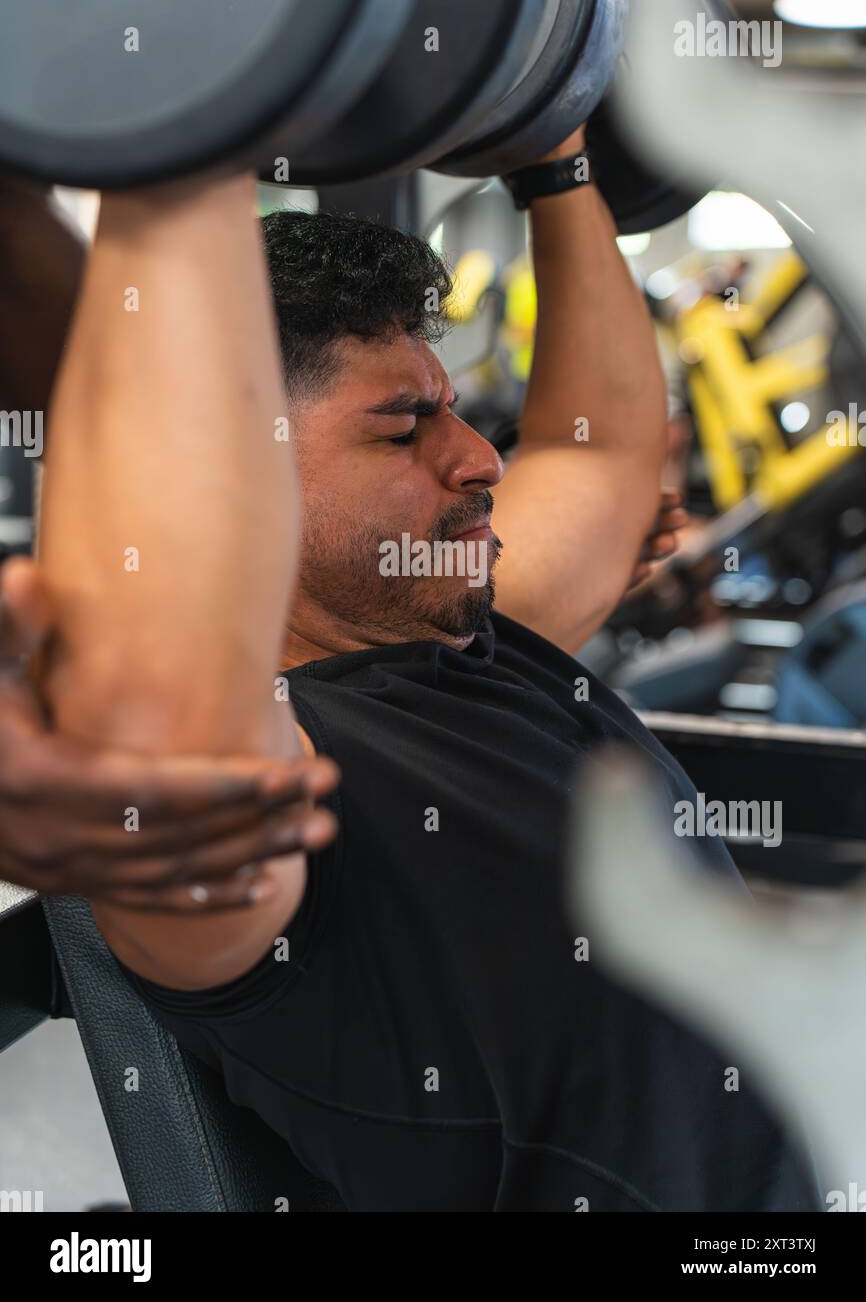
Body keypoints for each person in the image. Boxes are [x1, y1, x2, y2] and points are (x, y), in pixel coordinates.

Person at [5, 125, 818, 1211]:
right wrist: (183, 114)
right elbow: (162, 633)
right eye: (403, 430)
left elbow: (596, 452)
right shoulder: (255, 787)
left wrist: (557, 155)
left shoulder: (460, 629)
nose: (480, 457)